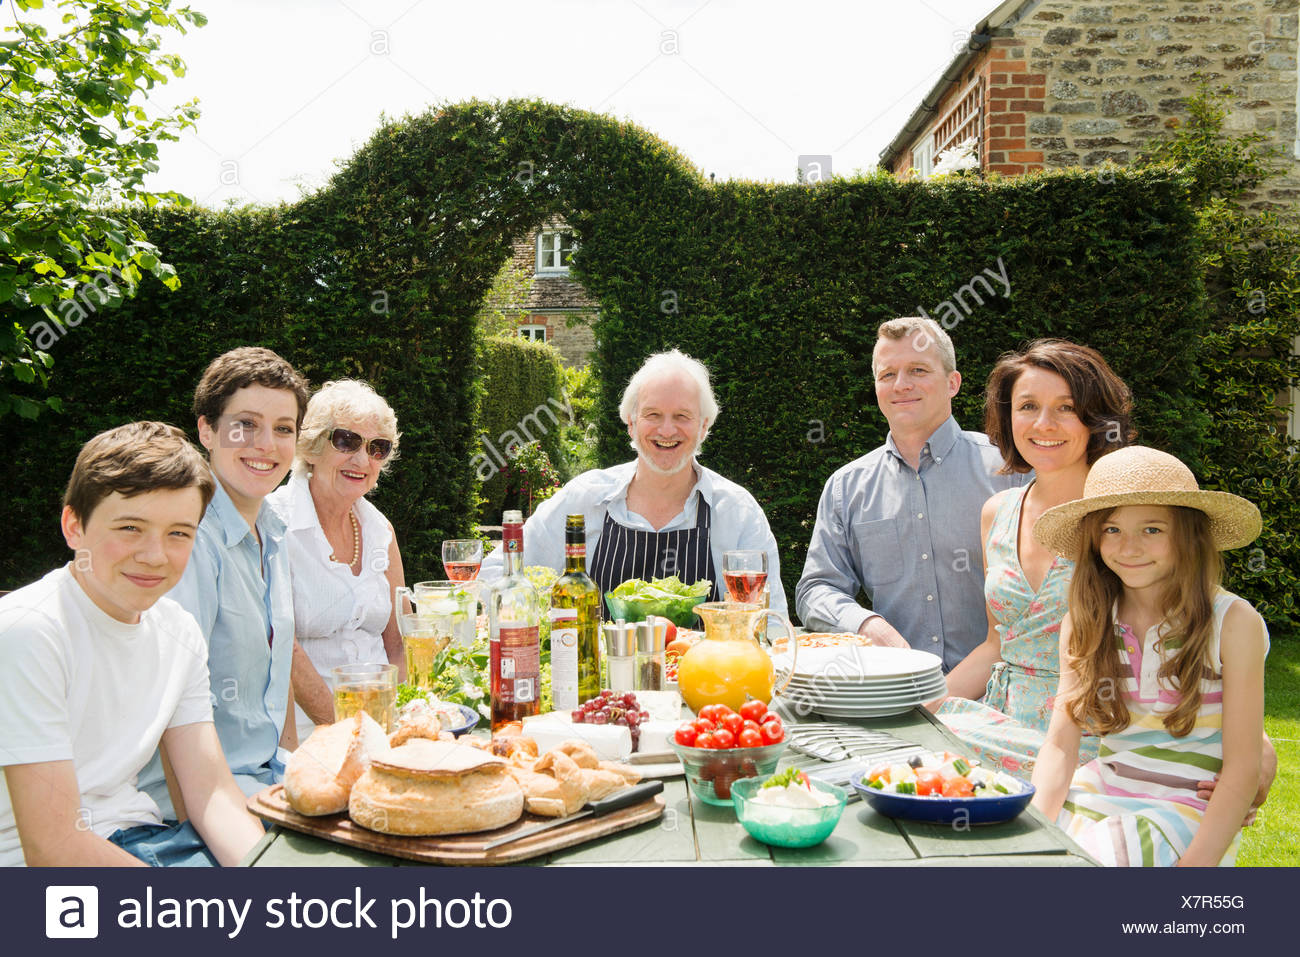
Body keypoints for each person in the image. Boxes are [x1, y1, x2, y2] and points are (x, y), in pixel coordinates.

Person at [0, 422, 266, 866]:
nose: (154, 555)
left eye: (179, 533)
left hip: (149, 843)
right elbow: (53, 846)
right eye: (130, 527)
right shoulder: (29, 633)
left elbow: (211, 793)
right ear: (74, 526)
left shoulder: (177, 631)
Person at [1030, 446, 1268, 866]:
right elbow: (1061, 747)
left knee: (1096, 859)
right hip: (1103, 792)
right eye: (1112, 530)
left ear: (1189, 535)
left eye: (1153, 529)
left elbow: (1243, 767)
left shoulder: (1233, 623)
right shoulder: (1086, 621)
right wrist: (1030, 837)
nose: (1130, 547)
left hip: (1186, 810)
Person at [935, 340, 1134, 774]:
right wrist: (921, 706)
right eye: (1027, 406)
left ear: (1095, 418)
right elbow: (996, 645)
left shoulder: (1125, 516)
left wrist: (1253, 742)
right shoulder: (997, 514)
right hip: (998, 727)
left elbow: (1192, 631)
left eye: (1066, 407)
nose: (1044, 423)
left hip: (1093, 735)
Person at [796, 317, 1027, 669]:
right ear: (876, 387)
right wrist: (864, 624)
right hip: (896, 693)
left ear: (953, 383)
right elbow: (816, 589)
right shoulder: (847, 488)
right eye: (888, 374)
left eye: (918, 370)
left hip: (1001, 694)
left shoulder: (1012, 471)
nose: (901, 385)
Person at [480, 349, 787, 613]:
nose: (667, 431)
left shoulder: (737, 512)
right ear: (631, 423)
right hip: (595, 679)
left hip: (703, 680)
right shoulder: (583, 499)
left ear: (704, 426)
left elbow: (770, 622)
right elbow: (498, 574)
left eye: (682, 416)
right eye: (653, 414)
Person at [138, 347, 310, 817]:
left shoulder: (272, 528)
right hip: (200, 801)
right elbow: (169, 702)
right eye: (245, 425)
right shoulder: (189, 537)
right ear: (207, 430)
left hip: (268, 778)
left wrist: (296, 766)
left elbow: (277, 682)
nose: (266, 445)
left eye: (283, 429)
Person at [267, 379, 407, 732]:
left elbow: (400, 644)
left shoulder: (380, 530)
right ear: (312, 446)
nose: (362, 459)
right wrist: (344, 729)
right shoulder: (273, 525)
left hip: (383, 725)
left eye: (378, 448)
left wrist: (402, 725)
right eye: (346, 441)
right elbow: (282, 647)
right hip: (306, 732)